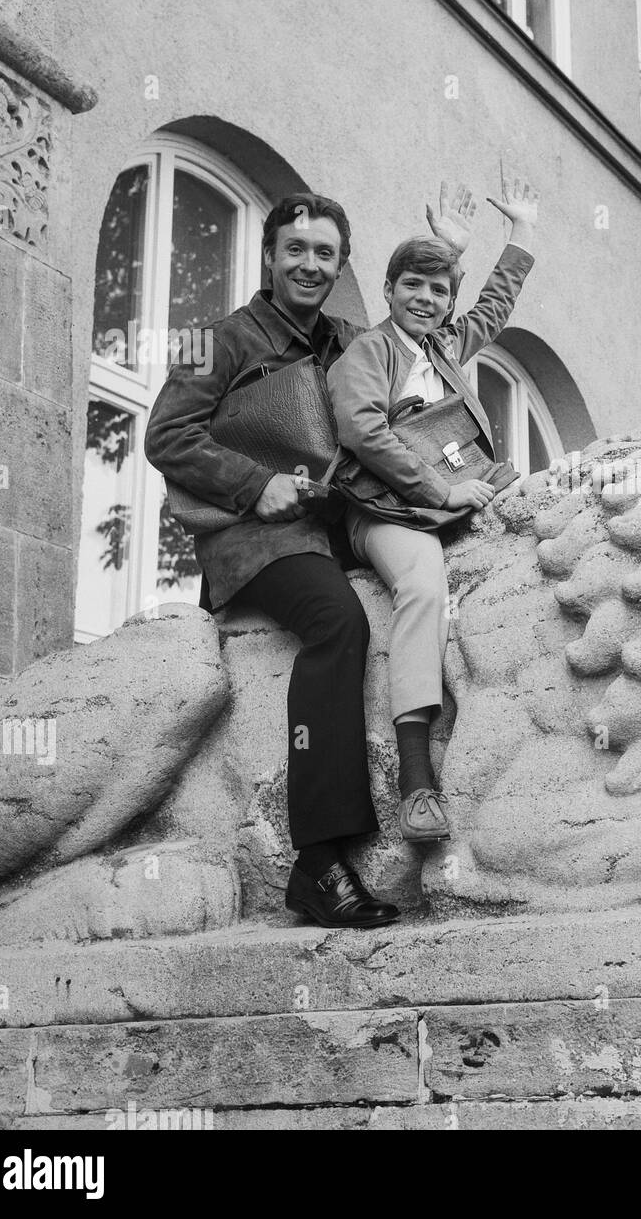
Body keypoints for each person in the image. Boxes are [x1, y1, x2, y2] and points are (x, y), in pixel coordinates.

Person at [145, 187, 475, 929]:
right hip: (255, 541)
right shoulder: (216, 337)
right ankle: (319, 864)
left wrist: (449, 254)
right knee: (339, 622)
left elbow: (436, 329)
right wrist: (253, 482)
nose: (309, 263)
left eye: (325, 252)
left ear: (340, 264)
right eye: (295, 249)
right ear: (269, 256)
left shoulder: (349, 339)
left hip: (328, 533)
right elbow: (165, 436)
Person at [328, 174, 539, 844]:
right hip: (386, 509)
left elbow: (495, 306)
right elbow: (363, 429)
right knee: (422, 584)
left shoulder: (447, 347)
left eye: (439, 289)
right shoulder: (369, 350)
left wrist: (521, 234)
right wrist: (437, 490)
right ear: (388, 291)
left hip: (455, 494)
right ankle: (417, 778)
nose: (425, 298)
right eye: (412, 285)